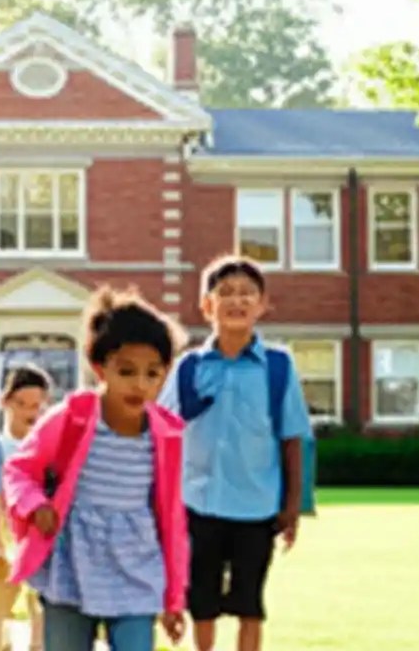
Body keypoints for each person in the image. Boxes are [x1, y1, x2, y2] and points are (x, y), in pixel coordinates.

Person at [2, 286, 189, 651]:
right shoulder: (72, 418)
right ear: (99, 366)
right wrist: (34, 505)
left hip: (136, 567)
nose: (140, 384)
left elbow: (172, 521)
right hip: (72, 563)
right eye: (126, 371)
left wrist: (173, 599)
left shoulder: (166, 435)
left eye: (153, 374)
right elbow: (19, 470)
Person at [157, 255, 313, 651]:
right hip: (198, 502)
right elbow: (163, 435)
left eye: (247, 294)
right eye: (225, 293)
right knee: (202, 601)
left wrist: (292, 506)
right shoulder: (188, 367)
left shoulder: (277, 367)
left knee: (250, 602)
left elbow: (292, 438)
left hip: (256, 505)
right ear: (206, 305)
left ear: (262, 305)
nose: (237, 302)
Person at [0, 364, 53, 651]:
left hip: (41, 549)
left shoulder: (49, 450)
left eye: (36, 406)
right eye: (21, 404)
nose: (29, 412)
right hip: (3, 547)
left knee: (40, 618)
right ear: (5, 402)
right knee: (1, 620)